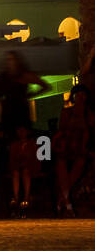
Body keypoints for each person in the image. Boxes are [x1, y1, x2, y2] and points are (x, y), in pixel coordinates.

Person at [0, 52, 50, 143]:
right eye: (7, 60)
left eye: (11, 59)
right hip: (8, 112)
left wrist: (32, 95)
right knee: (10, 138)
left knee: (23, 137)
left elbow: (46, 86)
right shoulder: (4, 77)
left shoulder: (24, 75)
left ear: (17, 61)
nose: (9, 62)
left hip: (20, 111)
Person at [55, 85, 90, 216]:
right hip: (66, 145)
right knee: (61, 162)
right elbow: (62, 129)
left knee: (80, 163)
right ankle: (66, 203)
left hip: (81, 146)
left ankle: (62, 200)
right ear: (74, 96)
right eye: (78, 94)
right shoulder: (67, 111)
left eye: (83, 94)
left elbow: (89, 131)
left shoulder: (88, 113)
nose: (81, 97)